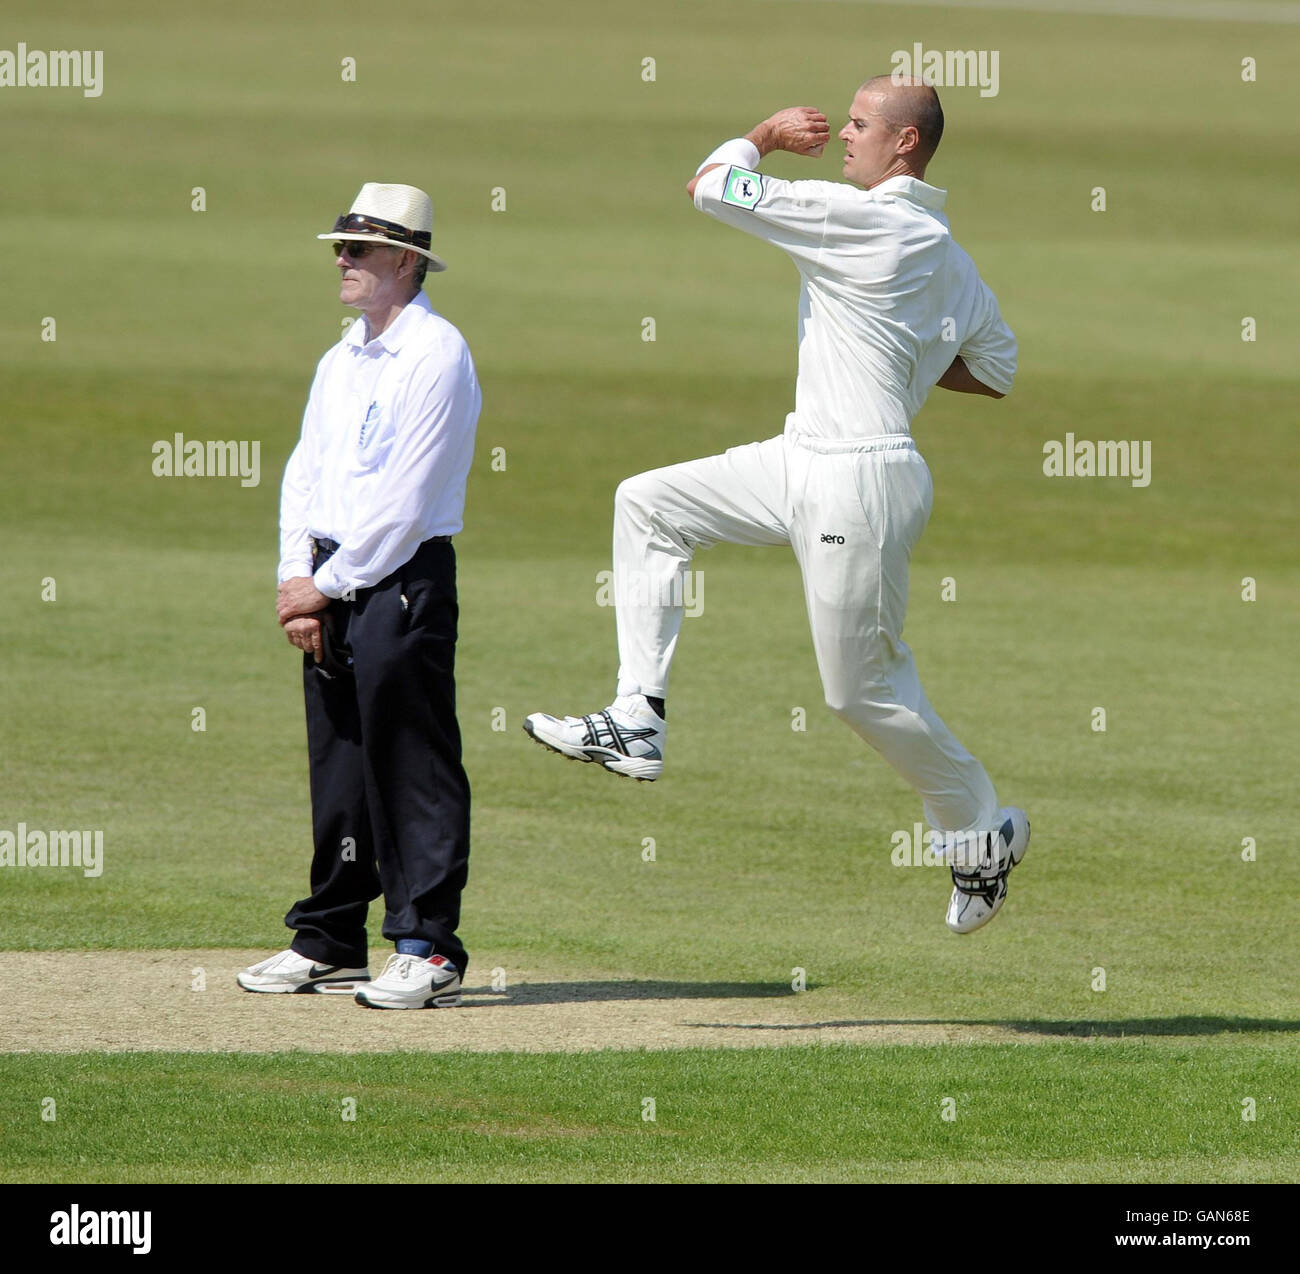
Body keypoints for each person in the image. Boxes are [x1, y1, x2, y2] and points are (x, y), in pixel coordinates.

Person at [524, 78, 1030, 934]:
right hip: (806, 456)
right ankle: (635, 717)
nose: (843, 137)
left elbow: (712, 185)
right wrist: (897, 343)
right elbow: (995, 367)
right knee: (648, 504)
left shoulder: (858, 216)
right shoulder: (946, 251)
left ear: (905, 145)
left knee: (858, 695)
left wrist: (762, 132)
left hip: (856, 476)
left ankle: (982, 832)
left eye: (861, 125)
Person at [238, 182, 481, 1006]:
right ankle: (330, 936)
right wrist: (295, 582)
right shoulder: (341, 357)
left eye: (360, 250)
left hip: (400, 578)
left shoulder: (436, 354)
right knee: (339, 756)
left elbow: (406, 502)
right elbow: (305, 474)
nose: (342, 261)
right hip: (329, 574)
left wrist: (326, 586)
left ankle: (428, 946)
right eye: (339, 247)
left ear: (406, 261)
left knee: (409, 758)